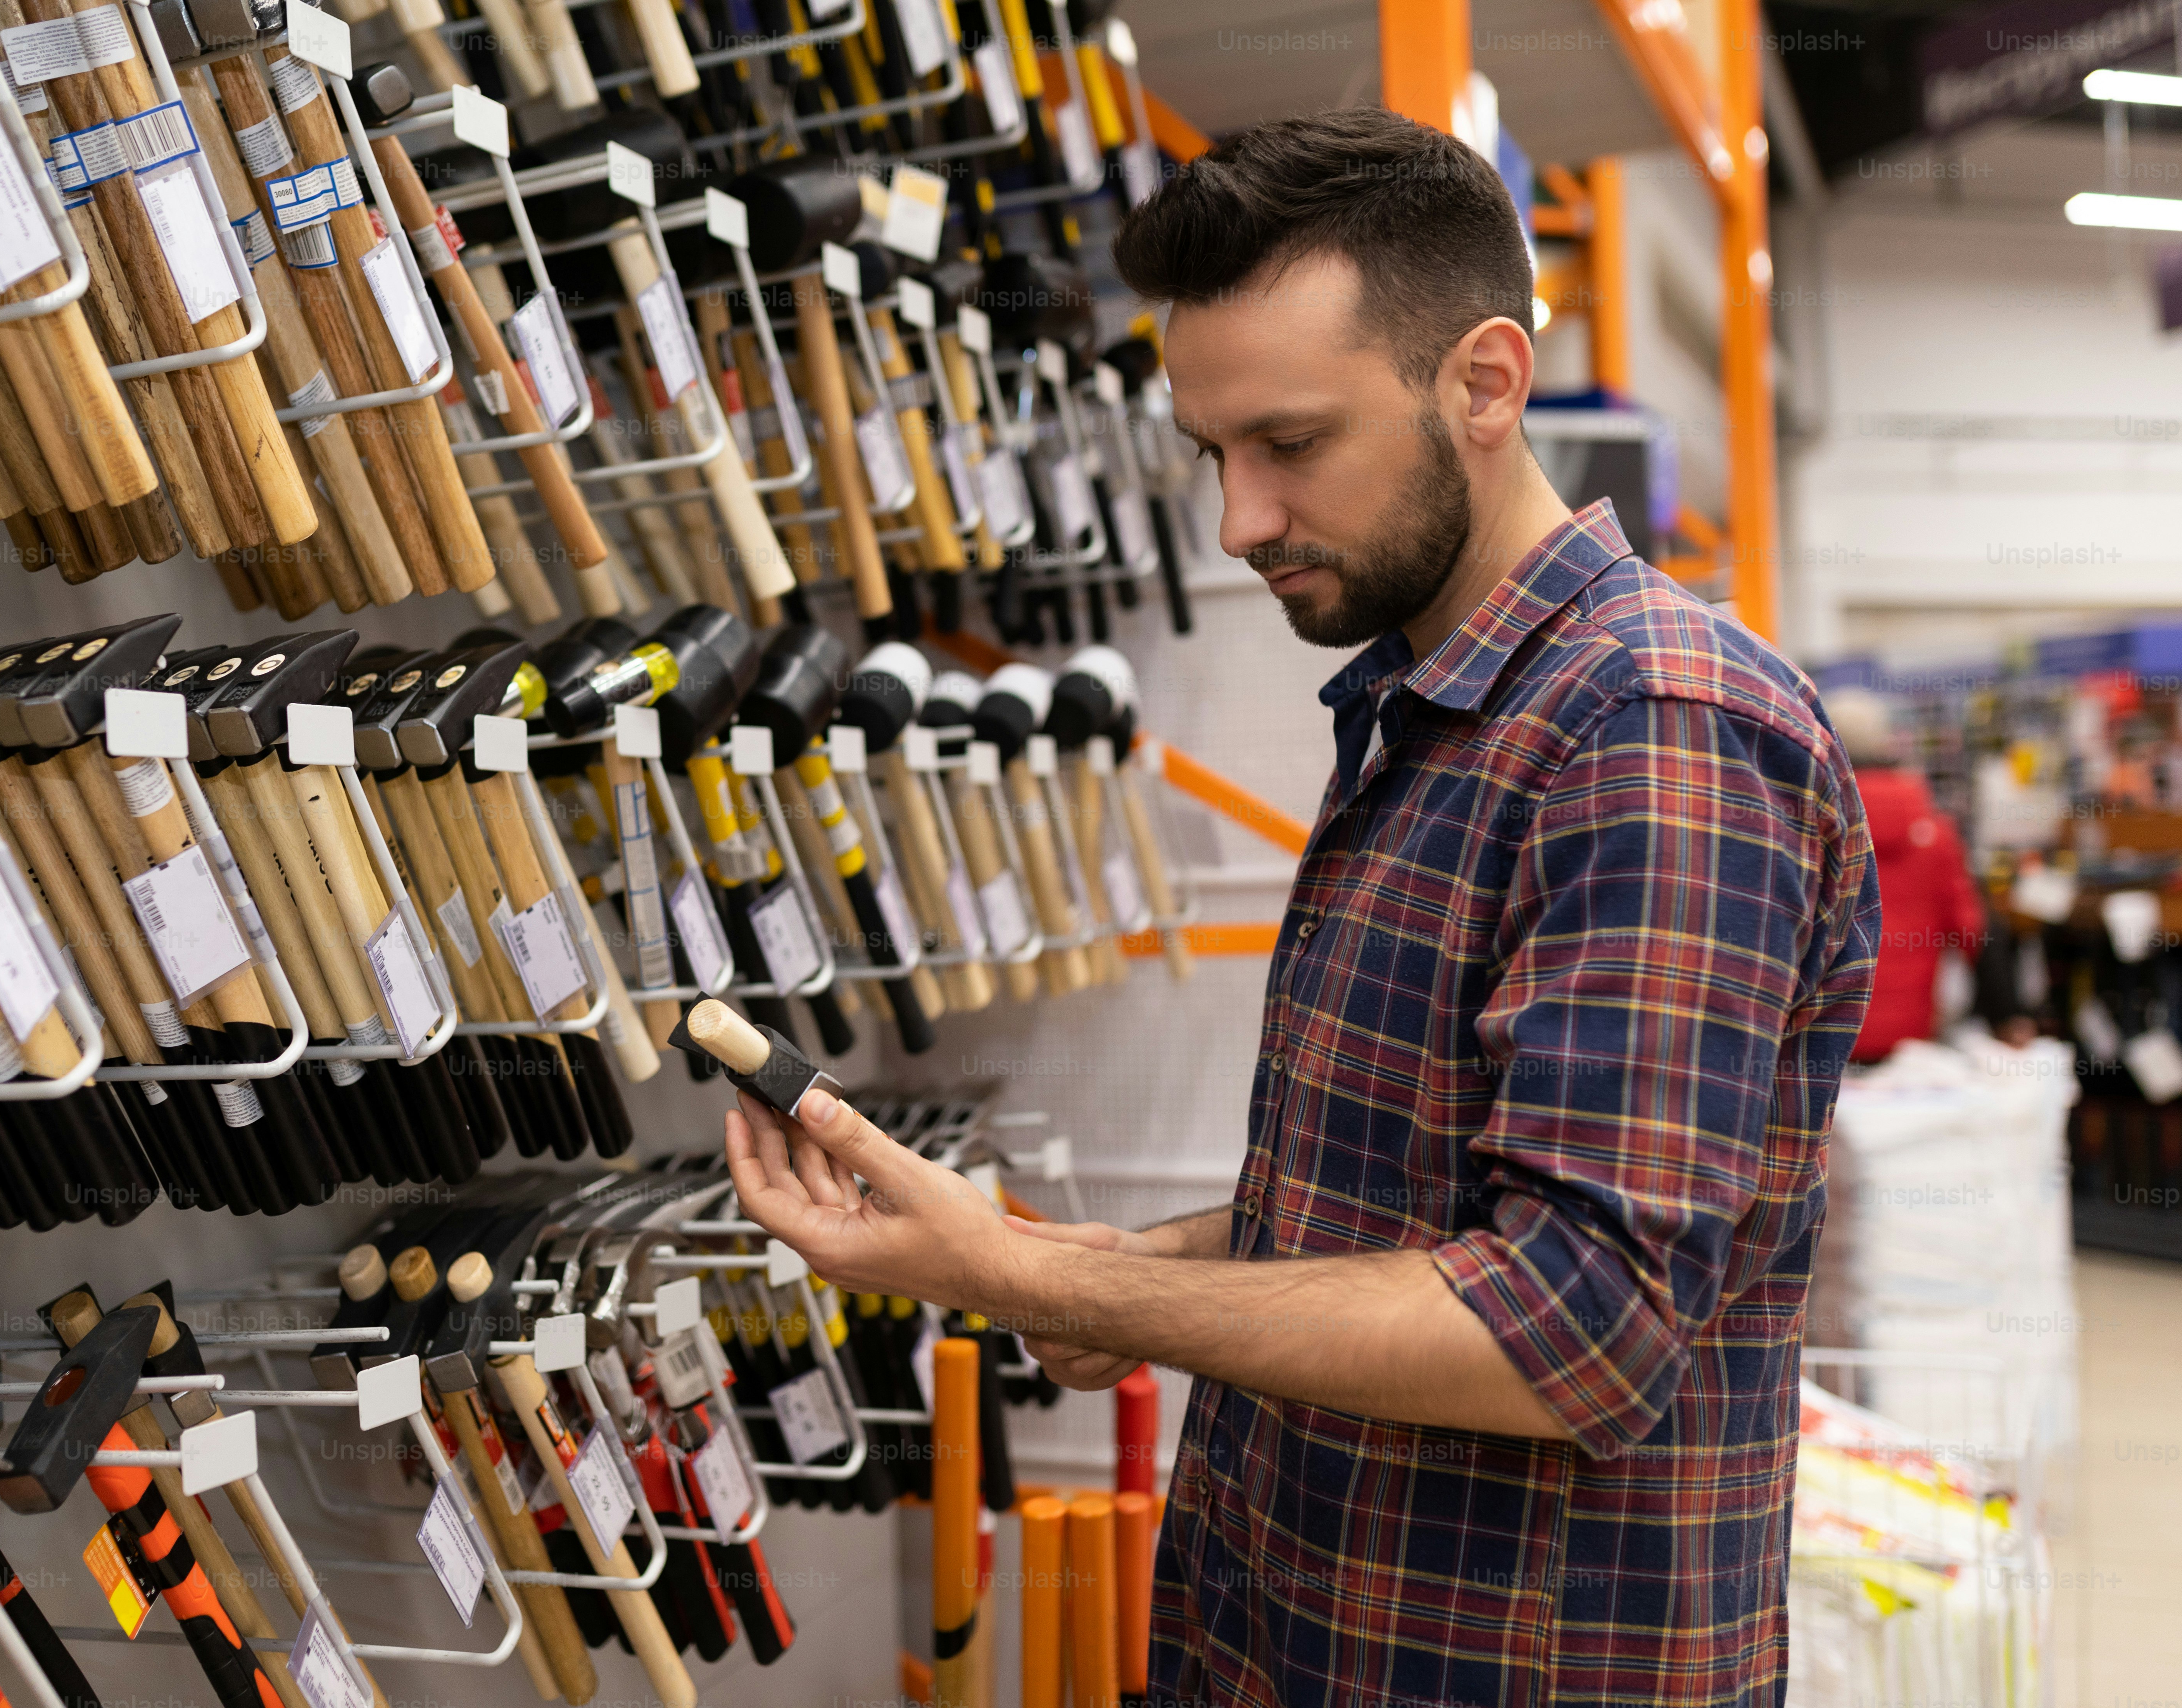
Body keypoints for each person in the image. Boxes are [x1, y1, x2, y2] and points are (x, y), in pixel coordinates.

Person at [725, 110, 1881, 1708]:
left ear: (1481, 383)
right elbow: (1419, 1202)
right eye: (1212, 456)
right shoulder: (1434, 707)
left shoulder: (1651, 729)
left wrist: (1035, 1281)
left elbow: (1571, 1325)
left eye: (1288, 444)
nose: (1236, 523)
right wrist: (1133, 1265)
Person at [1822, 687, 1988, 1060]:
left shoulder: (1811, 828)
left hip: (1826, 1033)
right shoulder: (1935, 829)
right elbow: (1970, 929)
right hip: (1913, 1033)